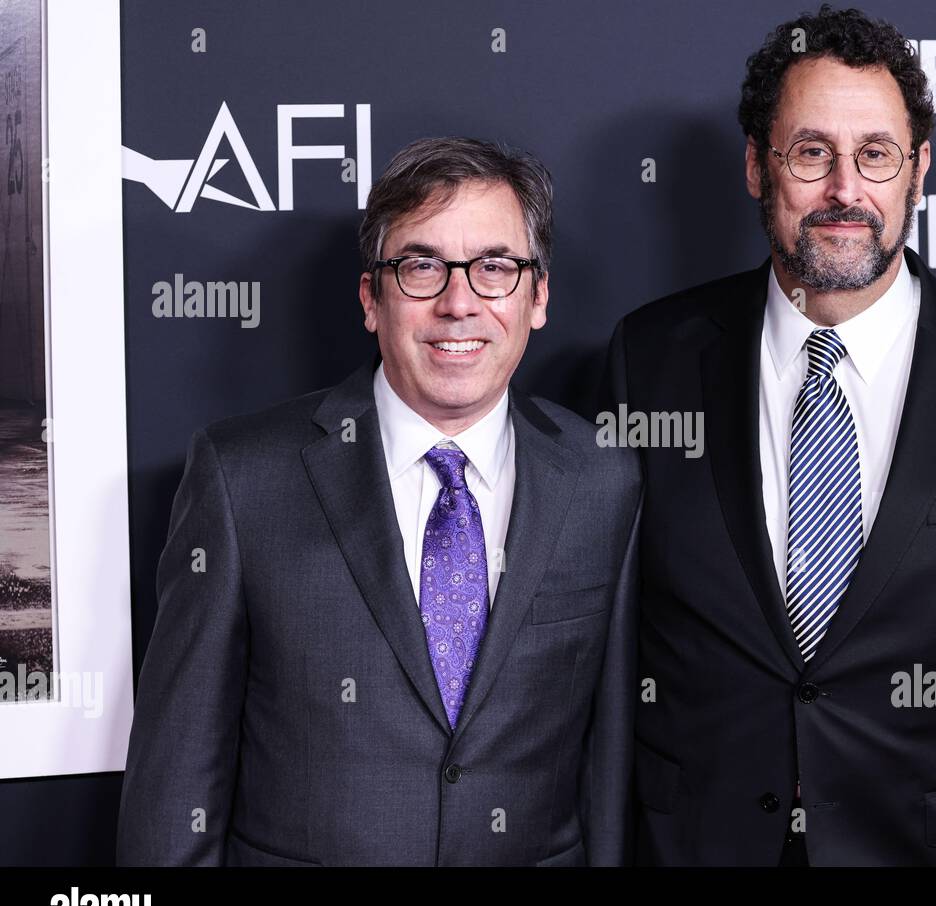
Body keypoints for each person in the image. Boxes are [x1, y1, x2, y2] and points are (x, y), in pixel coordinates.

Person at [602, 5, 936, 865]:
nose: (846, 189)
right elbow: (613, 647)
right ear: (756, 169)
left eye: (875, 154)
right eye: (811, 152)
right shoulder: (649, 360)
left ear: (918, 170)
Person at [118, 136, 641, 866]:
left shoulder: (603, 480)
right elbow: (176, 792)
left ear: (538, 295)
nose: (459, 303)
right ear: (372, 297)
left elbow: (607, 770)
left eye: (495, 267)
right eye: (422, 266)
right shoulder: (243, 479)